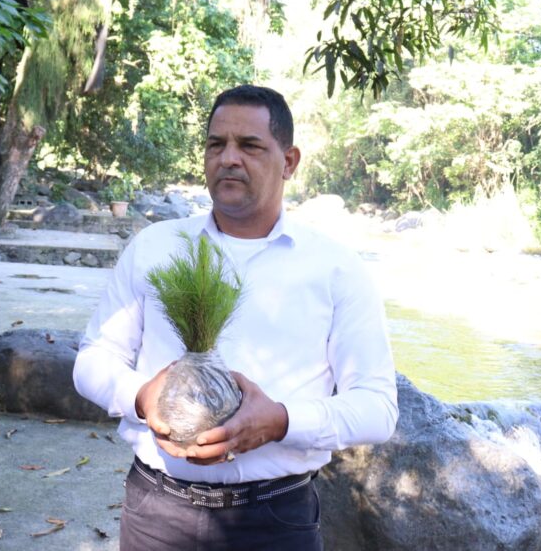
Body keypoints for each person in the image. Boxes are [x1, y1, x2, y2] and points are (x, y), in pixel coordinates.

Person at [73, 85, 398, 550]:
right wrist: (142, 396)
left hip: (275, 520)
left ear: (289, 162)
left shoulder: (337, 269)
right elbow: (93, 360)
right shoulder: (155, 247)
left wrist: (281, 421)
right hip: (156, 514)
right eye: (215, 144)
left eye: (249, 146)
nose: (228, 158)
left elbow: (378, 407)